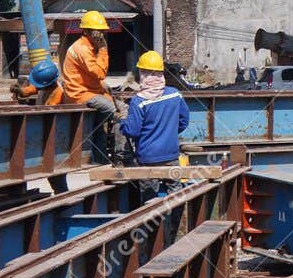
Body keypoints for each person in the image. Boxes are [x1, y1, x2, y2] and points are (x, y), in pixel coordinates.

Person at [53, 10, 116, 155]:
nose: (102, 35)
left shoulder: (89, 46)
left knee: (112, 110)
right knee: (112, 110)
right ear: (87, 31)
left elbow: (92, 76)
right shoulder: (83, 49)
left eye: (102, 31)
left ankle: (100, 157)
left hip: (89, 91)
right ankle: (115, 151)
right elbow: (100, 73)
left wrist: (102, 87)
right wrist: (103, 49)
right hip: (79, 94)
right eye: (98, 31)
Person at [118, 51, 190, 167]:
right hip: (171, 155)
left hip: (148, 159)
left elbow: (132, 131)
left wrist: (122, 120)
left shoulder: (138, 101)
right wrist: (167, 134)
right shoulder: (175, 94)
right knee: (174, 185)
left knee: (150, 185)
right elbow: (184, 121)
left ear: (142, 74)